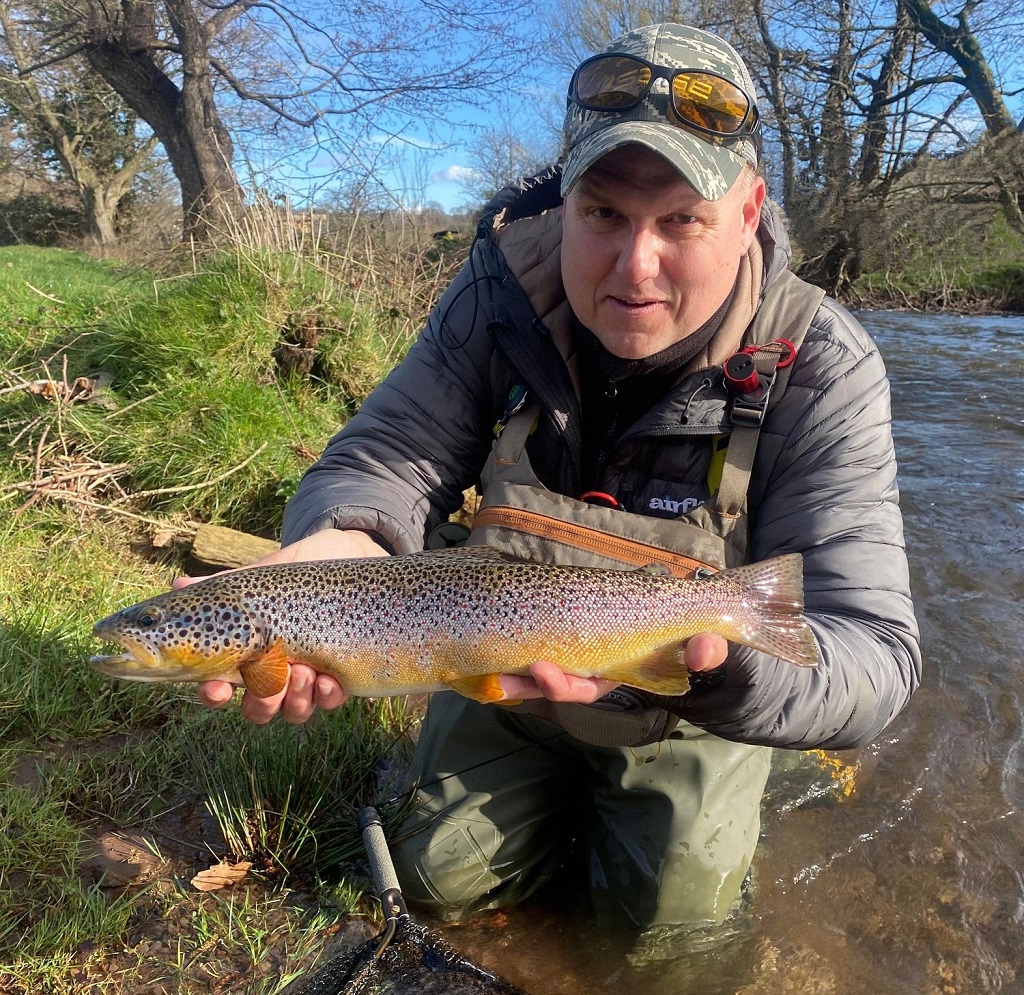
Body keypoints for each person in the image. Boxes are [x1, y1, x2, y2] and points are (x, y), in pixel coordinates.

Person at [197, 23, 920, 934]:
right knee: (436, 882)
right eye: (605, 214)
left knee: (667, 940)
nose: (634, 268)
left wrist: (716, 664)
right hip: (499, 673)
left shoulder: (823, 364)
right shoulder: (503, 293)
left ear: (747, 214)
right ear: (564, 202)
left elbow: (876, 653)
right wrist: (333, 552)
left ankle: (744, 783)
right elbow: (390, 455)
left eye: (680, 221)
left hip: (687, 708)